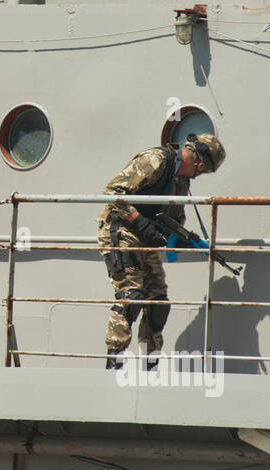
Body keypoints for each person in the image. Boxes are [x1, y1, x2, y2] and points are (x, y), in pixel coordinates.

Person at [97, 132, 226, 369]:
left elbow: (173, 219)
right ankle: (114, 361)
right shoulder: (156, 160)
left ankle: (150, 361)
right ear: (198, 163)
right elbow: (112, 192)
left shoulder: (180, 180)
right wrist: (139, 221)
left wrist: (184, 239)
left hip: (144, 238)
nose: (198, 176)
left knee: (158, 303)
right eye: (201, 171)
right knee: (131, 296)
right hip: (121, 229)